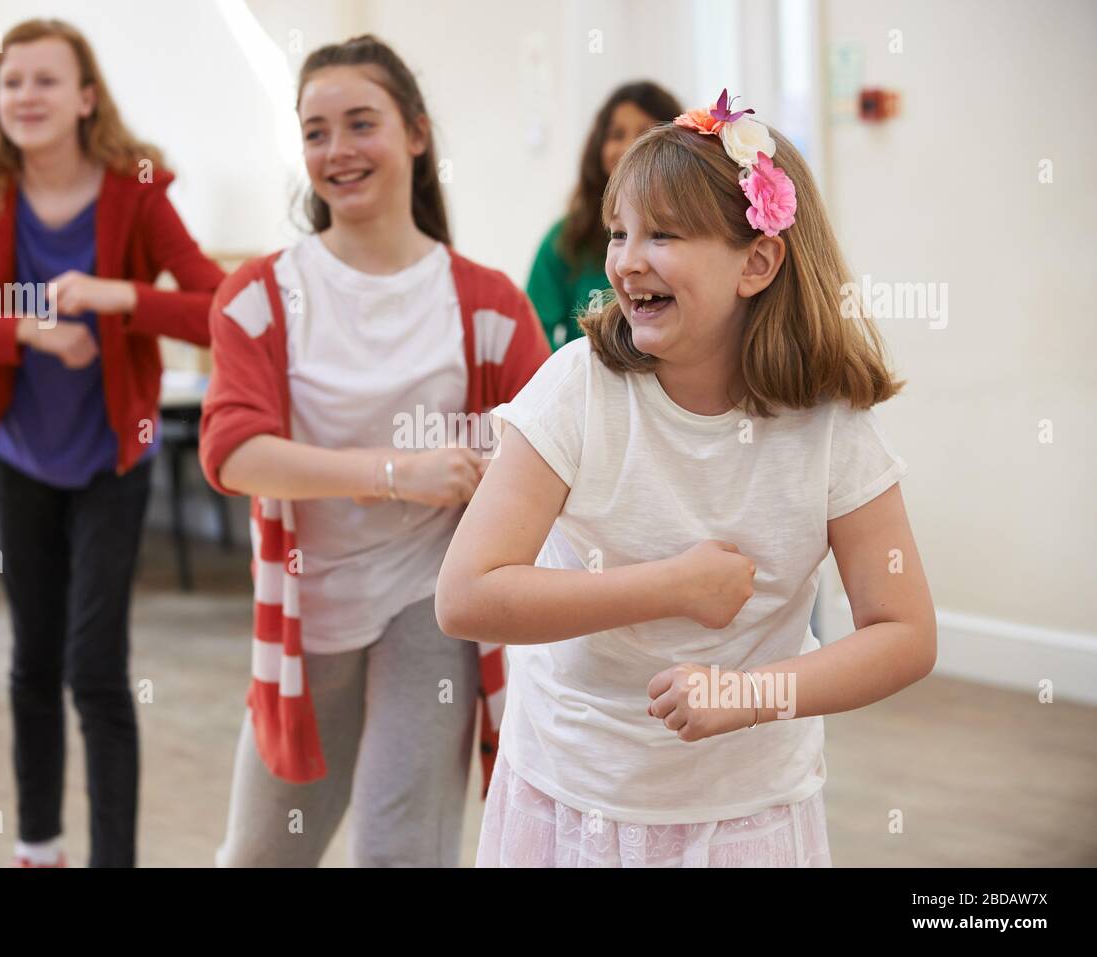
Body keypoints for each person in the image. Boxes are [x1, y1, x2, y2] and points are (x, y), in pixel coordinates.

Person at [437, 93, 937, 867]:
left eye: (662, 233)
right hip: (575, 796)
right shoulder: (578, 388)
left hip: (747, 811)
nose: (626, 259)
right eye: (618, 232)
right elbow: (466, 595)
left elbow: (904, 632)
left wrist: (748, 695)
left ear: (758, 261)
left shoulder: (829, 422)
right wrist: (673, 585)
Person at [198, 35, 549, 867]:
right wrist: (399, 474)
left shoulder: (488, 303)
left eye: (362, 123)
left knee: (401, 852)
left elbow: (550, 448)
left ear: (416, 135)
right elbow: (233, 450)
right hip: (304, 611)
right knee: (261, 854)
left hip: (427, 608)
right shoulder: (258, 297)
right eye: (315, 132)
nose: (338, 151)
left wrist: (491, 464)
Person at [0, 18, 225, 867]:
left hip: (115, 455)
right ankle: (38, 848)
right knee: (32, 659)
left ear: (85, 98)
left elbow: (221, 308)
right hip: (21, 458)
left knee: (95, 666)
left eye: (46, 80)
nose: (25, 96)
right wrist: (28, 327)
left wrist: (121, 295)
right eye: (11, 82)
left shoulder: (135, 190)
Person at [526, 81, 681, 349]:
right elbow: (533, 336)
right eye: (617, 134)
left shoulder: (692, 234)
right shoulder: (565, 240)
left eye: (646, 133)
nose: (630, 147)